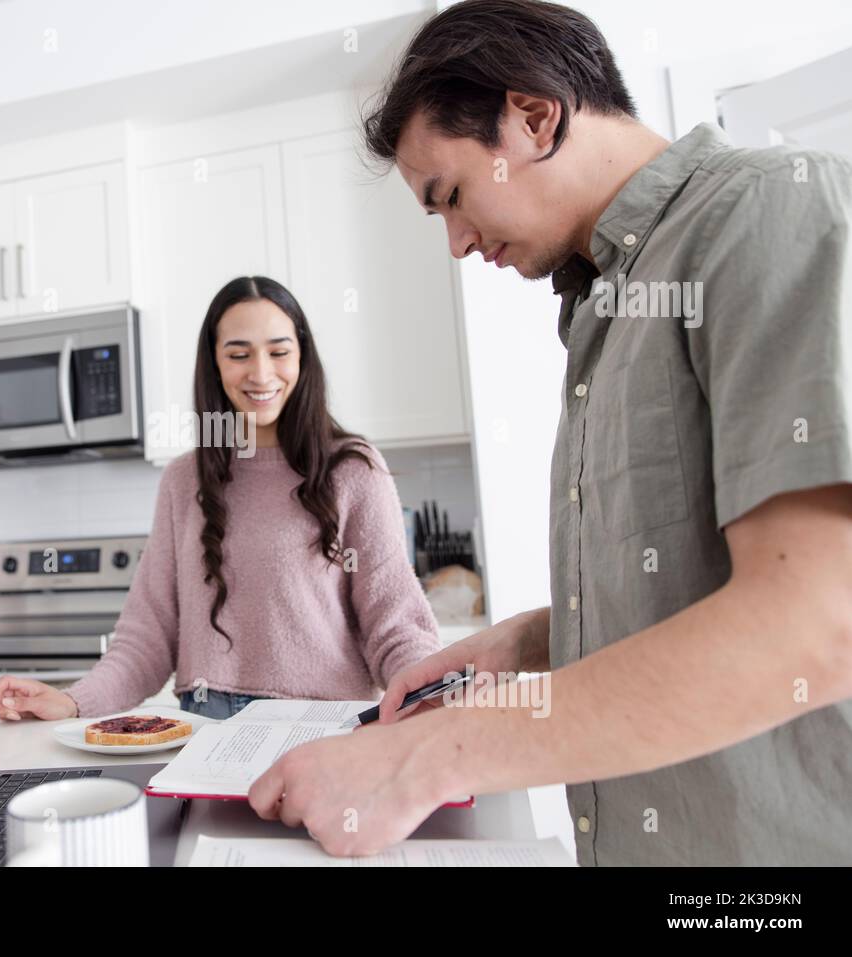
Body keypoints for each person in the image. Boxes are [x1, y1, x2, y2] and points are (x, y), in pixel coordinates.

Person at [250, 0, 852, 865]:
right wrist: (521, 644)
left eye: (450, 196)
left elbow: (817, 620)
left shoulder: (765, 215)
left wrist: (416, 762)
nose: (456, 242)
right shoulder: (600, 307)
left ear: (533, 116)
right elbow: (677, 576)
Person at [0, 275, 442, 721]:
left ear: (302, 356)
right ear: (215, 363)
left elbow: (395, 622)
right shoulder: (183, 480)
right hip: (206, 728)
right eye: (239, 354)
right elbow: (147, 638)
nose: (261, 372)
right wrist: (73, 701)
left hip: (323, 727)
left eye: (279, 351)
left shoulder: (353, 470)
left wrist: (428, 692)